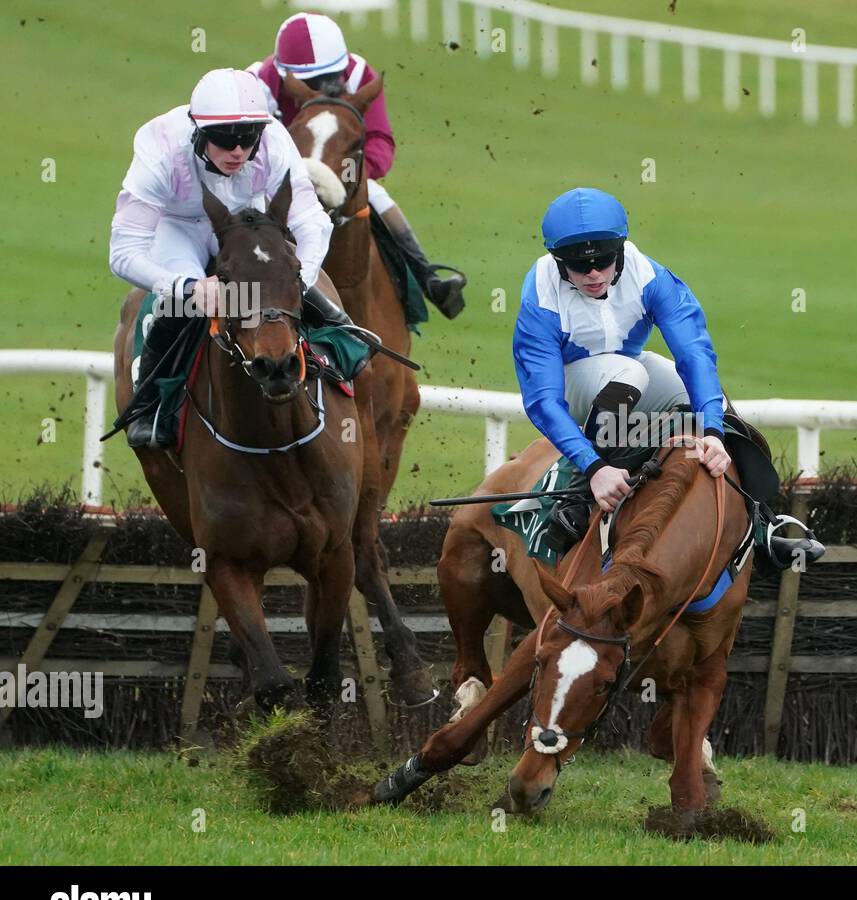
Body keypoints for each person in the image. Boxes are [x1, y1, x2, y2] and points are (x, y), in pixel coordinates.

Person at [109, 67, 341, 449]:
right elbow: (122, 253)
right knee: (181, 304)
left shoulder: (273, 142)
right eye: (223, 139)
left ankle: (344, 349)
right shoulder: (160, 147)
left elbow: (313, 223)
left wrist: (298, 280)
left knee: (280, 284)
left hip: (243, 222)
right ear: (198, 131)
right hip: (179, 226)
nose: (237, 151)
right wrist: (188, 286)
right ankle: (151, 405)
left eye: (247, 138)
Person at [513, 187, 734, 541]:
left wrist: (713, 432)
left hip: (627, 374)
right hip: (571, 387)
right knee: (628, 373)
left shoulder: (651, 277)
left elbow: (694, 354)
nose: (593, 274)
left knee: (712, 400)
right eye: (578, 265)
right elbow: (542, 400)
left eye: (603, 260)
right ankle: (577, 493)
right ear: (557, 261)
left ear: (621, 250)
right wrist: (596, 466)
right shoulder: (540, 294)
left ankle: (762, 521)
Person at [248, 11, 466, 318]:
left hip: (344, 174)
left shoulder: (362, 74)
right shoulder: (256, 85)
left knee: (377, 195)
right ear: (287, 76)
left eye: (330, 77)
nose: (322, 87)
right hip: (271, 178)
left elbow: (380, 141)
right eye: (309, 82)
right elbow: (245, 152)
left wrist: (347, 175)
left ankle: (427, 277)